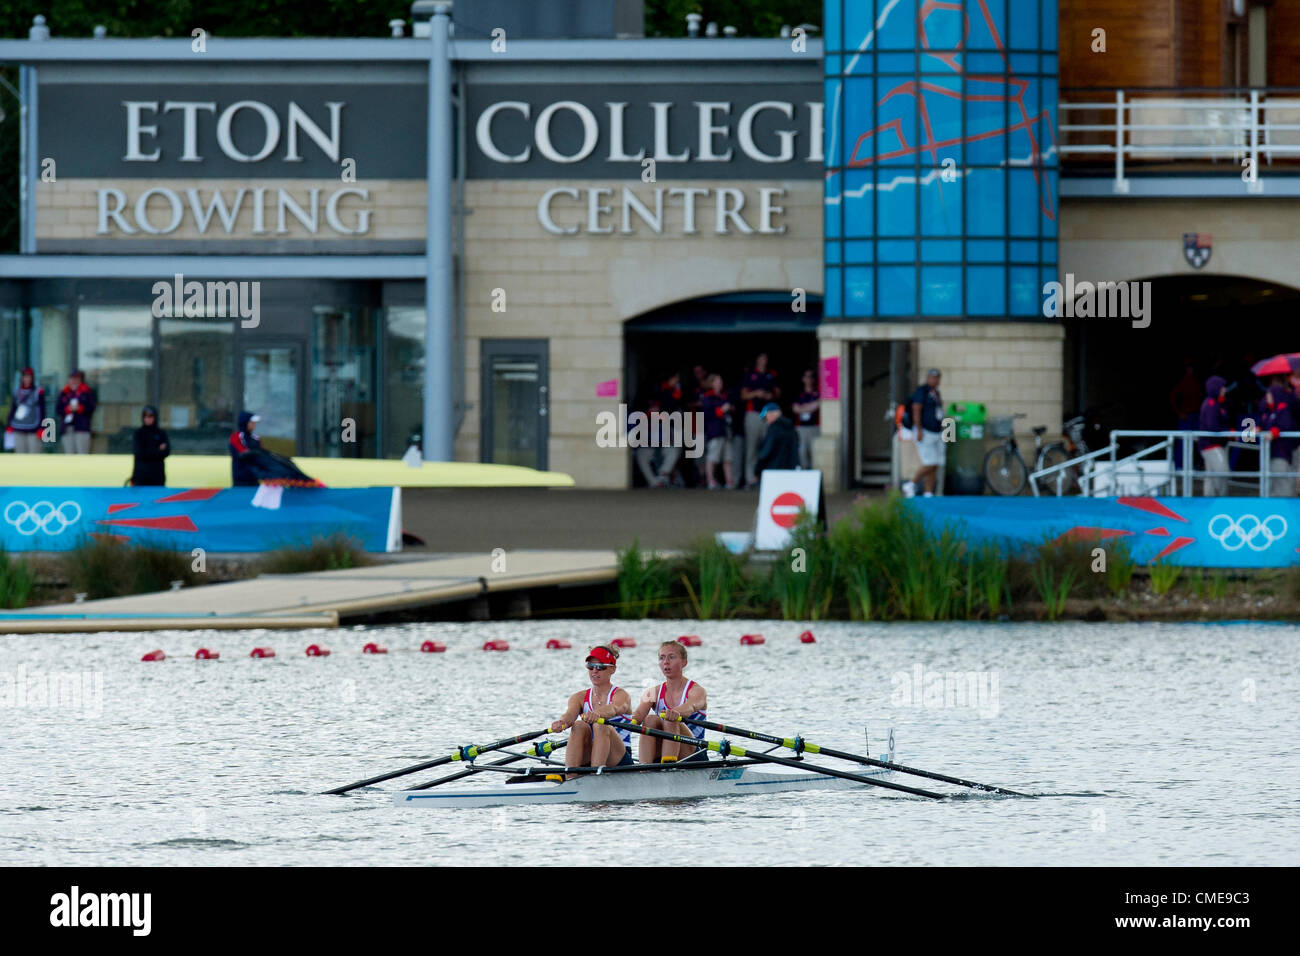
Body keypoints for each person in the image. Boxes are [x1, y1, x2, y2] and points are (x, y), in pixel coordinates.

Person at [549, 645, 635, 775]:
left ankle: (595, 777)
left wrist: (597, 714)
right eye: (591, 666)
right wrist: (562, 722)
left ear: (612, 669)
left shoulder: (622, 695)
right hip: (591, 754)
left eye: (600, 666)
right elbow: (569, 715)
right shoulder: (579, 697)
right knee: (578, 725)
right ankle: (570, 777)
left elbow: (614, 708)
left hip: (619, 759)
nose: (594, 671)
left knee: (601, 725)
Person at [633, 640, 708, 764]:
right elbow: (638, 715)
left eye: (671, 657)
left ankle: (668, 766)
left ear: (684, 662)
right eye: (662, 658)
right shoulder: (651, 693)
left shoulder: (697, 691)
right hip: (661, 751)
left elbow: (690, 707)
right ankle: (644, 768)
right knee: (650, 719)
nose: (666, 662)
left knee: (671, 718)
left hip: (693, 755)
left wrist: (675, 712)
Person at [740, 352, 779, 489]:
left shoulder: (771, 374)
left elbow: (778, 393)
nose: (764, 361)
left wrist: (770, 395)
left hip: (768, 414)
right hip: (754, 414)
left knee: (768, 447)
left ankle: (766, 478)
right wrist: (756, 393)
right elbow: (743, 395)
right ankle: (751, 479)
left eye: (766, 358)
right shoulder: (750, 375)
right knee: (752, 448)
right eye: (762, 358)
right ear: (757, 360)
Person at [903, 368, 944, 497]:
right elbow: (916, 409)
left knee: (935, 464)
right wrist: (919, 429)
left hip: (936, 431)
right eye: (933, 377)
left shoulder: (935, 393)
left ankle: (928, 491)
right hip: (925, 432)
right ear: (927, 378)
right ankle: (911, 484)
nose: (935, 380)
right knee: (929, 463)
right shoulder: (922, 391)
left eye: (937, 377)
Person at [700, 374, 736, 489]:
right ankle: (710, 481)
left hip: (726, 431)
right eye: (717, 381)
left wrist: (730, 409)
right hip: (714, 431)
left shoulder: (724, 396)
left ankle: (729, 482)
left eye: (721, 381)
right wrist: (721, 410)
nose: (720, 383)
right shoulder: (708, 397)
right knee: (713, 458)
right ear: (711, 383)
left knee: (728, 458)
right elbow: (707, 414)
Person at [1197, 375, 1230, 496]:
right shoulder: (1211, 404)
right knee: (1222, 472)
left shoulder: (1218, 404)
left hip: (1212, 445)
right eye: (1222, 387)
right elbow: (1213, 428)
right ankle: (1221, 500)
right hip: (1212, 445)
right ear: (1215, 388)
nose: (1224, 390)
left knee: (1211, 476)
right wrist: (1228, 433)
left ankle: (1210, 501)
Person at [1261, 385, 1296, 497]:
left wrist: (1274, 432)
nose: (1267, 397)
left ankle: (1286, 510)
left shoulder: (1282, 408)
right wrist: (1258, 428)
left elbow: (1285, 424)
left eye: (1269, 394)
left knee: (1282, 483)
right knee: (1270, 483)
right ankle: (1271, 510)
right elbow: (1262, 423)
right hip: (1269, 453)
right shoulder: (1268, 410)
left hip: (1281, 453)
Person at [56, 370, 96, 454]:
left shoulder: (87, 391)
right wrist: (67, 409)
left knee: (82, 453)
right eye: (71, 378)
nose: (73, 381)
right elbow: (58, 409)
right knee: (69, 454)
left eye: (76, 379)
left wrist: (80, 408)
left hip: (82, 428)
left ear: (80, 380)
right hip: (67, 428)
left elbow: (91, 407)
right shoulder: (64, 392)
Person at [755, 402, 800, 476]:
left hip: (773, 472)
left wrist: (757, 469)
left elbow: (766, 452)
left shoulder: (773, 429)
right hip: (790, 472)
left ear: (772, 414)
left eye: (766, 416)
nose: (766, 419)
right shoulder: (791, 427)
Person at [7, 367, 45, 454]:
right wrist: (9, 425)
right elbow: (13, 409)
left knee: (34, 456)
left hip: (33, 429)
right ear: (22, 378)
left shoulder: (38, 392)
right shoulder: (17, 392)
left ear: (32, 378)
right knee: (20, 456)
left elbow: (42, 412)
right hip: (18, 427)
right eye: (25, 376)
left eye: (29, 376)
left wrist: (41, 428)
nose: (27, 379)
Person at [130, 405, 170, 486]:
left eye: (150, 416)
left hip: (157, 477)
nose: (148, 419)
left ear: (155, 417)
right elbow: (139, 453)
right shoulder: (139, 433)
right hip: (141, 478)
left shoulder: (161, 433)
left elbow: (166, 452)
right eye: (145, 416)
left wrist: (149, 451)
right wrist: (157, 450)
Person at [792, 368, 820, 470]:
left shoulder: (817, 393)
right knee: (802, 453)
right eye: (806, 376)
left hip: (814, 427)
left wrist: (803, 408)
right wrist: (809, 408)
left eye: (811, 377)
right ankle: (804, 474)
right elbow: (795, 409)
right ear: (803, 379)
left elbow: (817, 405)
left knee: (814, 452)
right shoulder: (799, 394)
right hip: (801, 428)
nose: (809, 379)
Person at [229, 410, 263, 486]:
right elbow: (241, 454)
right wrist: (255, 452)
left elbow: (261, 456)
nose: (254, 424)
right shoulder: (235, 437)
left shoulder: (256, 438)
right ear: (245, 422)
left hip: (255, 479)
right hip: (240, 480)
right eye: (252, 422)